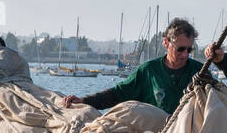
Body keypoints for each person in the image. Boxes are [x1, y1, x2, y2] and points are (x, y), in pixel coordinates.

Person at [62, 19, 202, 113]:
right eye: (180, 49)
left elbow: (219, 99)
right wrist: (85, 101)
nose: (185, 54)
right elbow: (118, 93)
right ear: (166, 43)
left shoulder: (200, 71)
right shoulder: (149, 71)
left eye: (189, 50)